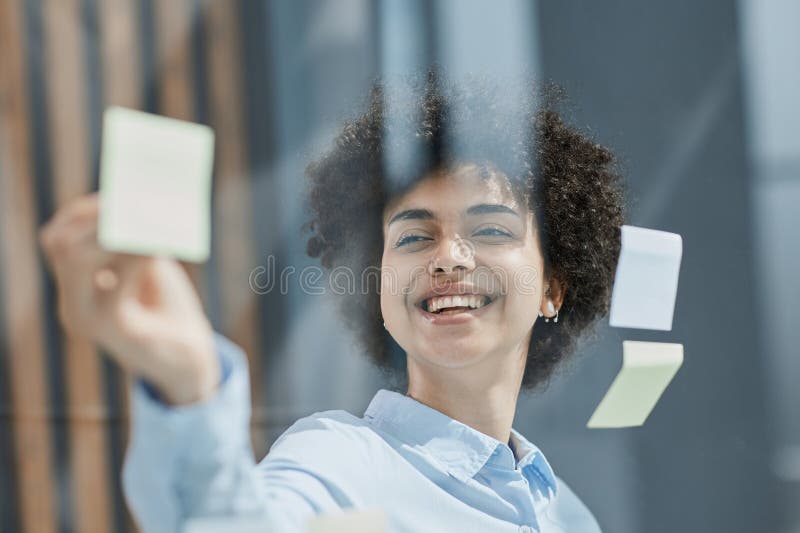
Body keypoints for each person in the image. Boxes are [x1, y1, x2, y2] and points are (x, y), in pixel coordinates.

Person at [40, 72, 625, 532]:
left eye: (492, 230)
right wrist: (191, 385)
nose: (449, 257)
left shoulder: (568, 515)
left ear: (554, 286)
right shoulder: (338, 463)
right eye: (414, 237)